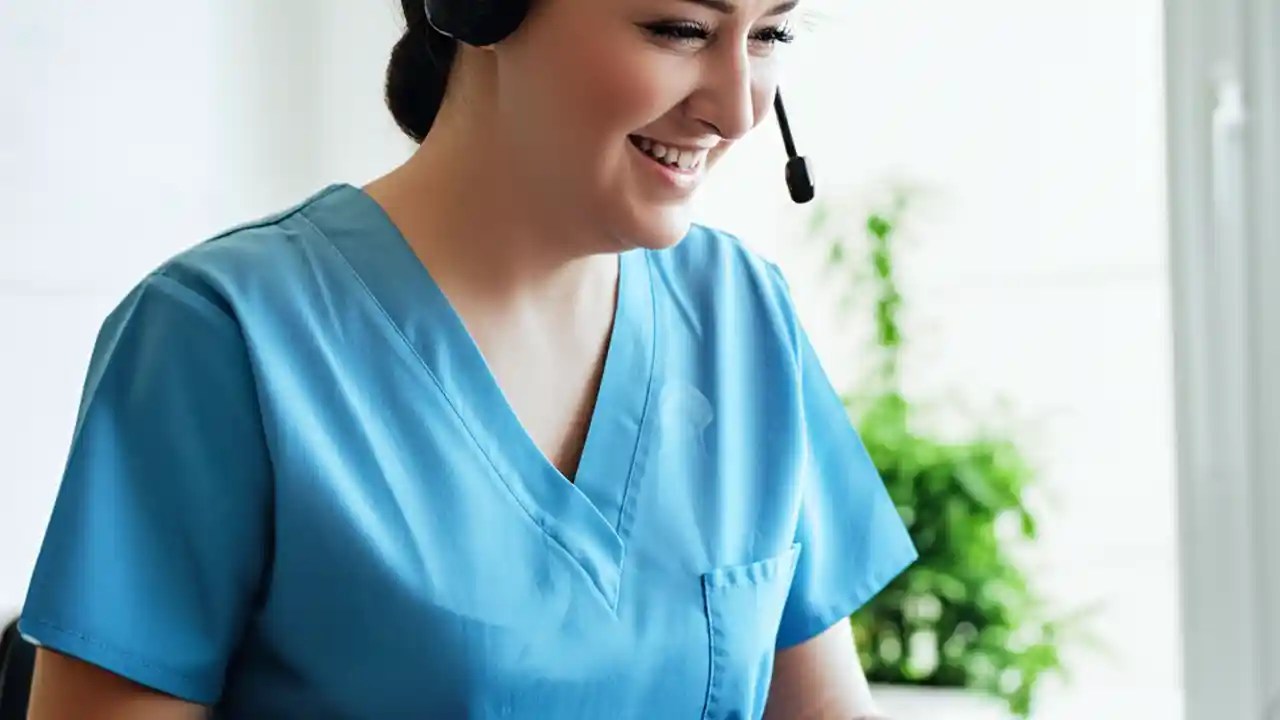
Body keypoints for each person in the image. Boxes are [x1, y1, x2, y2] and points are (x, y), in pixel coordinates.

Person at [18, 0, 916, 718]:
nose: (738, 107)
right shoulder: (222, 338)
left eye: (770, 34)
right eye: (679, 30)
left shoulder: (743, 318)